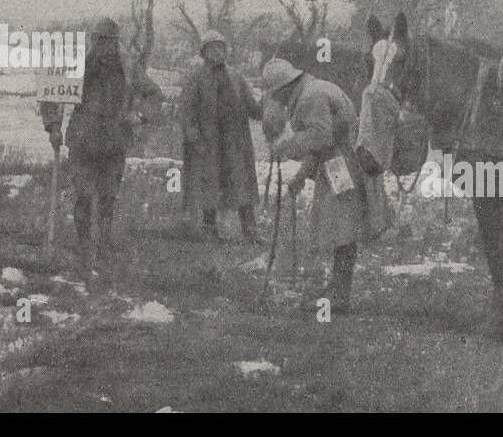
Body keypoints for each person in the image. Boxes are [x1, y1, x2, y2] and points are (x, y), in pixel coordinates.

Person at [259, 58, 391, 312]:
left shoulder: (311, 96)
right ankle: (338, 287)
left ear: (285, 87)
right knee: (341, 226)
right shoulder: (313, 90)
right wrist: (300, 177)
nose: (279, 101)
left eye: (277, 95)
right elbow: (320, 143)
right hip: (338, 161)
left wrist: (285, 147)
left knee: (342, 226)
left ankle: (341, 294)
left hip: (342, 166)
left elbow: (321, 137)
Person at [41, 17, 163, 279]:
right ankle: (85, 247)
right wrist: (53, 126)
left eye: (109, 42)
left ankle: (104, 244)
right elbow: (52, 94)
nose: (104, 47)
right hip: (83, 141)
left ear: (116, 43)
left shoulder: (128, 70)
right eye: (99, 41)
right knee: (84, 195)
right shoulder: (78, 67)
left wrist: (139, 116)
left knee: (108, 196)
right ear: (92, 42)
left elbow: (154, 94)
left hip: (114, 142)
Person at [178, 30, 264, 243]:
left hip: (235, 140)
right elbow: (186, 112)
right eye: (211, 48)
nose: (217, 51)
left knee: (242, 183)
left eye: (220, 47)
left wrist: (265, 107)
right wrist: (194, 138)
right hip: (208, 141)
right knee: (210, 184)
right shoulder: (195, 78)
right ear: (203, 53)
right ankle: (209, 229)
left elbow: (251, 106)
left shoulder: (236, 76)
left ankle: (250, 231)